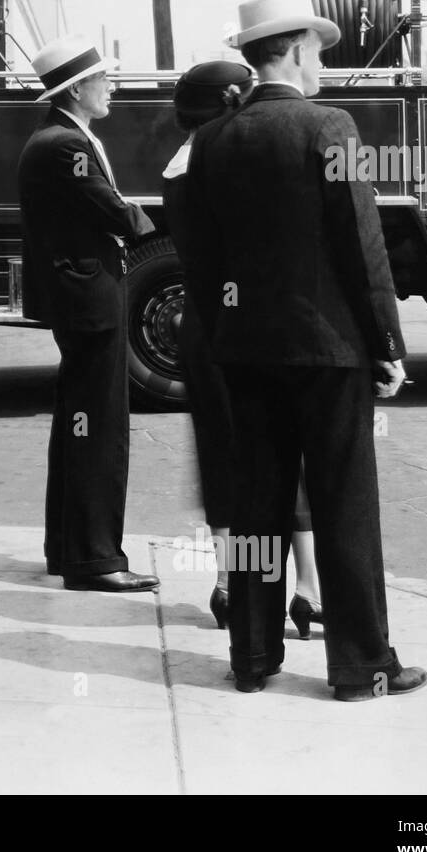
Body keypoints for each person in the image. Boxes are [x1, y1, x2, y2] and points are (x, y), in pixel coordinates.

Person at [183, 0, 426, 700]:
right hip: (328, 351)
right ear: (291, 49)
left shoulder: (215, 139)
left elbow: (200, 255)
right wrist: (386, 340)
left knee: (258, 504)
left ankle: (253, 656)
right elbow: (360, 244)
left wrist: (226, 328)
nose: (321, 63)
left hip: (246, 351)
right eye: (317, 50)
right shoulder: (331, 128)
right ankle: (363, 666)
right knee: (343, 503)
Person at [163, 61, 323, 636]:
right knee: (276, 453)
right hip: (245, 328)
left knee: (227, 458)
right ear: (231, 99)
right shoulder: (224, 162)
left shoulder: (186, 162)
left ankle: (238, 585)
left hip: (210, 328)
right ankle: (300, 590)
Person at [17, 37, 158, 593]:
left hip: (84, 295)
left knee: (82, 425)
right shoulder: (63, 145)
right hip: (89, 298)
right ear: (77, 88)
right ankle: (96, 559)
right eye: (104, 80)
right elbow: (114, 212)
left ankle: (73, 551)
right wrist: (157, 220)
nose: (112, 89)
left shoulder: (60, 137)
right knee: (99, 430)